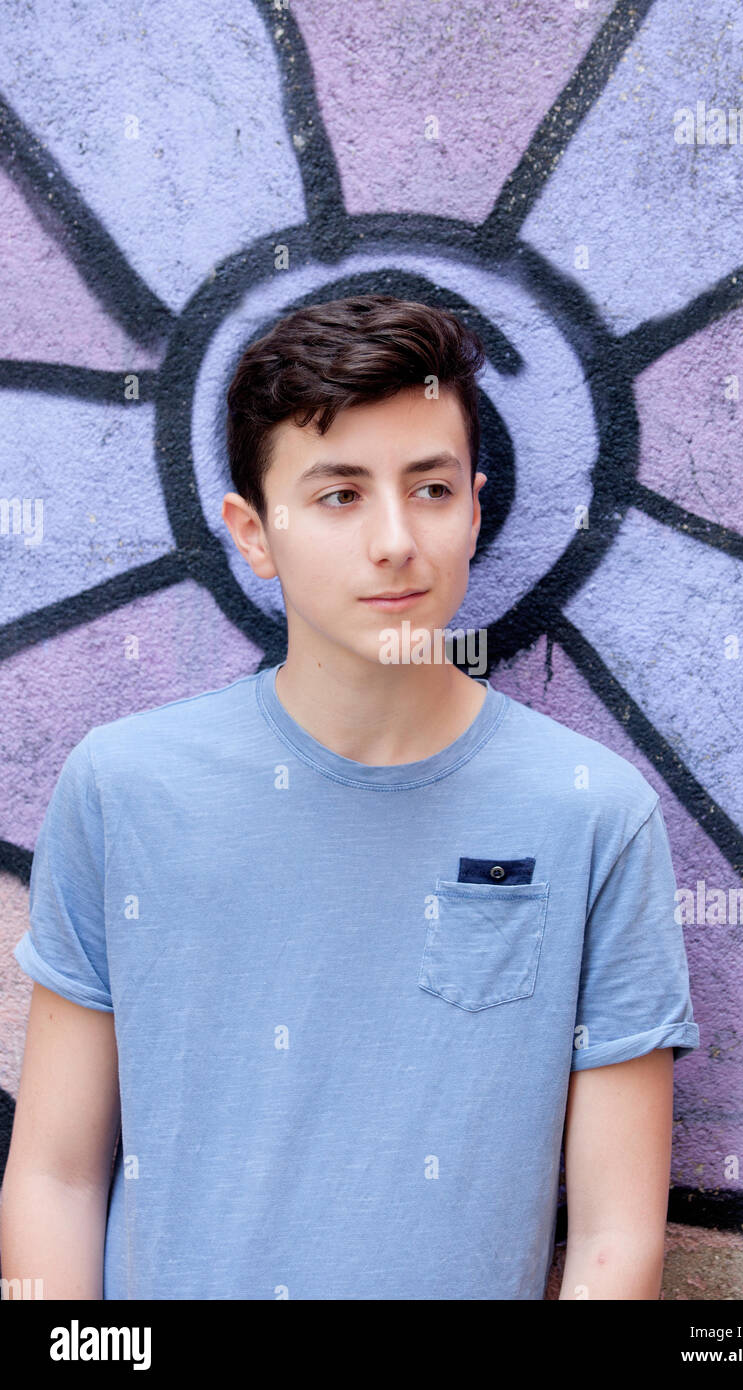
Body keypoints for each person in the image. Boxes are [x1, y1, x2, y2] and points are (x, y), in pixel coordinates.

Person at [1, 294, 699, 1300]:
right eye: (338, 495)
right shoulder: (126, 788)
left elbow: (611, 1241)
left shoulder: (588, 812)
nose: (393, 541)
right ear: (253, 532)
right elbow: (57, 1177)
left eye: (429, 488)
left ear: (473, 504)